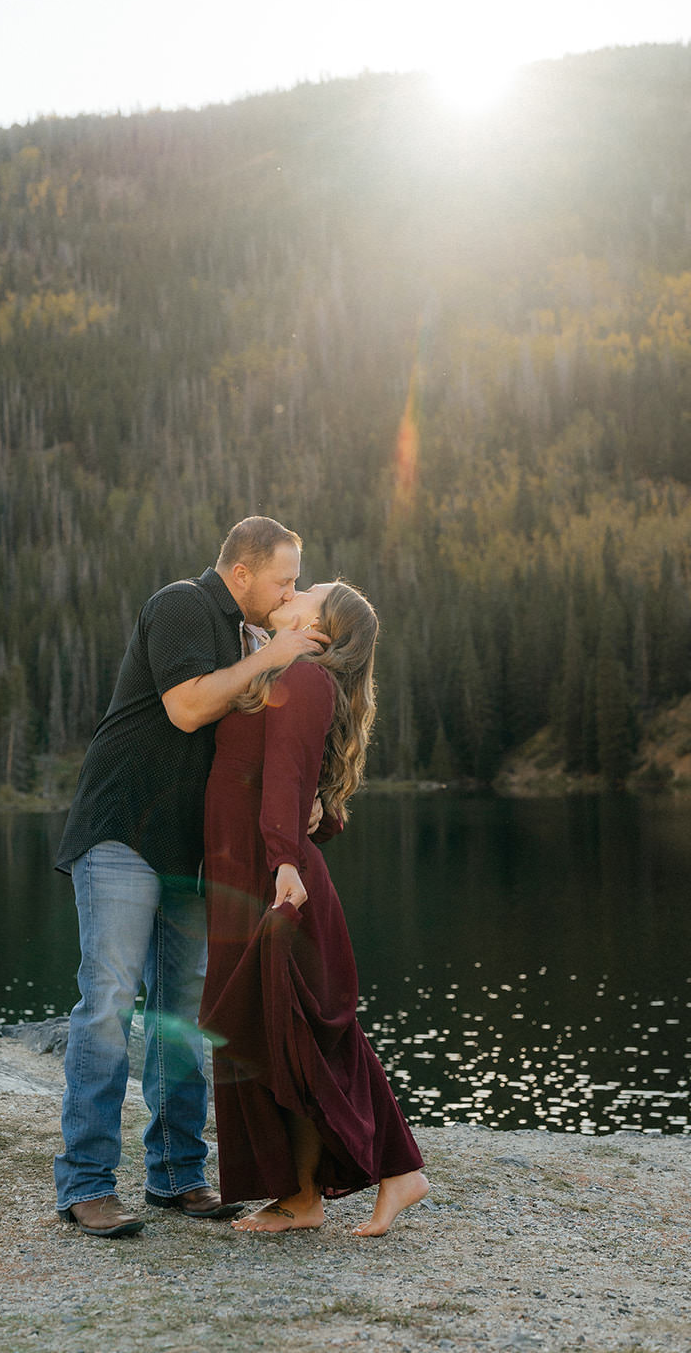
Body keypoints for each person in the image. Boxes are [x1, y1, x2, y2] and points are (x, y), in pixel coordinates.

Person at [52, 516, 328, 1238]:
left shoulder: (249, 640)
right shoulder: (180, 603)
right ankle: (84, 1185)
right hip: (120, 832)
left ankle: (176, 1175)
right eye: (284, 579)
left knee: (181, 1014)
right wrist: (277, 655)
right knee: (108, 1005)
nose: (290, 592)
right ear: (240, 574)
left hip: (192, 854)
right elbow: (186, 708)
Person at [200, 580, 429, 1236]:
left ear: (321, 626)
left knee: (291, 1033)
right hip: (250, 875)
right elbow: (306, 795)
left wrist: (284, 861)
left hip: (273, 882)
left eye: (307, 588)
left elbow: (283, 781)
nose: (292, 587)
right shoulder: (286, 672)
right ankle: (315, 1192)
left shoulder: (301, 678)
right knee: (280, 1033)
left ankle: (346, 1184)